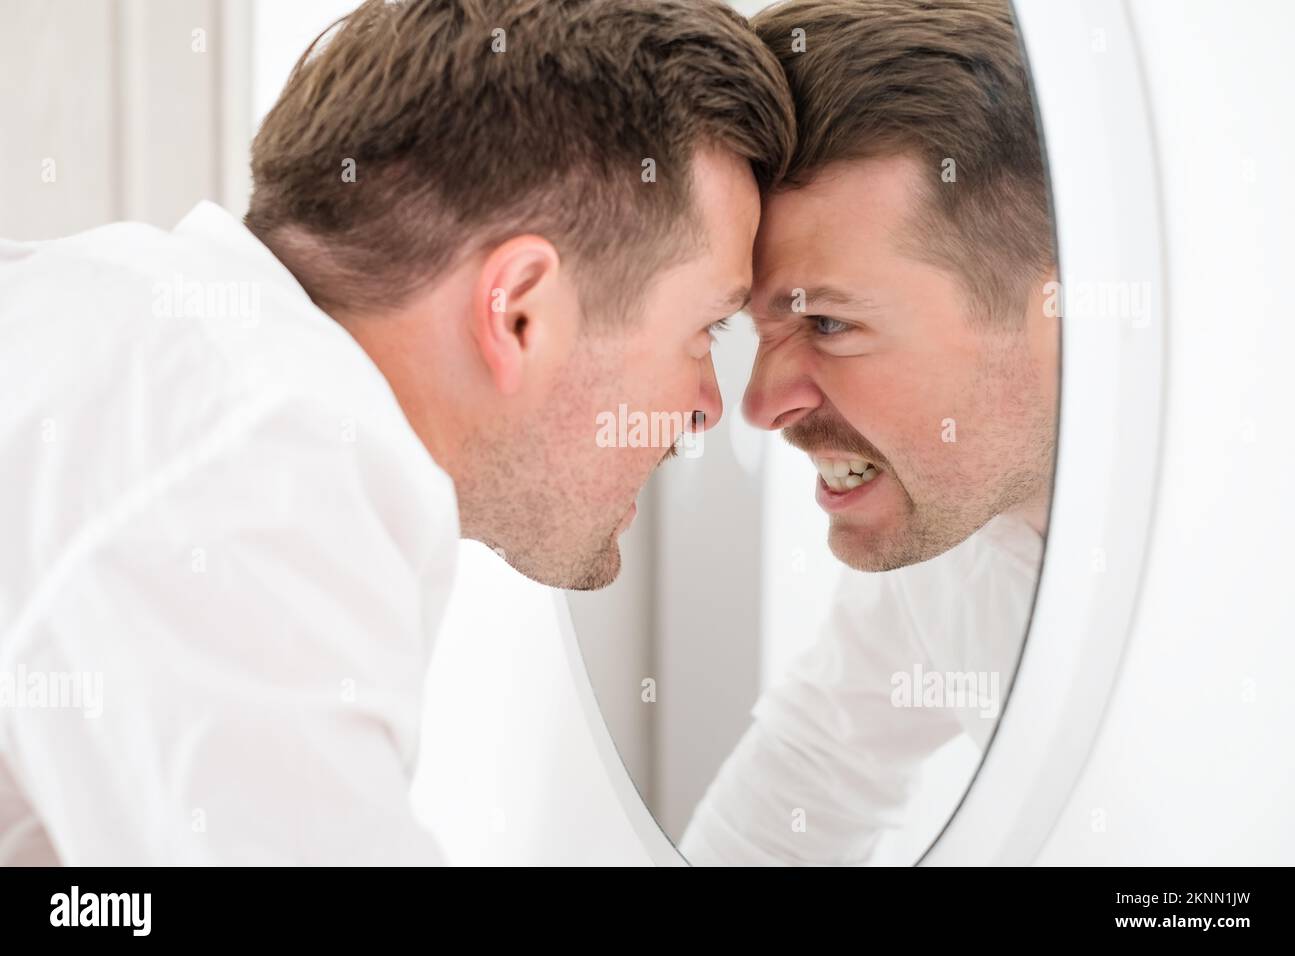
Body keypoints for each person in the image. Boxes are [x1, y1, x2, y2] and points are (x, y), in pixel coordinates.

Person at [0, 0, 795, 865]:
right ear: (520, 313)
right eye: (705, 330)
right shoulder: (257, 473)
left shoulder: (112, 308)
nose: (711, 406)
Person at [679, 0, 1060, 866]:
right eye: (750, 330)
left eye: (826, 325)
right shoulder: (949, 528)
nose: (758, 404)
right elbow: (812, 770)